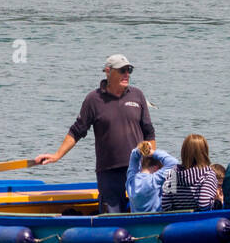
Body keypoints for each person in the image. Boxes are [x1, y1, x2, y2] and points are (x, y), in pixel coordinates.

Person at [34, 54, 155, 213]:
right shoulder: (93, 99)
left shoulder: (137, 95)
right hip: (108, 171)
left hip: (137, 168)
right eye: (122, 70)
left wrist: (151, 163)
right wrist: (57, 155)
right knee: (113, 215)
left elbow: (149, 132)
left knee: (143, 212)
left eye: (129, 70)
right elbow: (77, 130)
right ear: (108, 71)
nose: (127, 74)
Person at [160, 134, 220, 212]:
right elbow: (204, 203)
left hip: (177, 220)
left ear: (184, 152)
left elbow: (165, 204)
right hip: (201, 220)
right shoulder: (207, 174)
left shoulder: (172, 174)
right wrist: (217, 203)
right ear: (204, 152)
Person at [126, 141, 179, 213]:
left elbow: (133, 156)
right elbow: (174, 163)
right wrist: (153, 152)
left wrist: (141, 150)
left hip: (137, 221)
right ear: (156, 168)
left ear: (142, 165)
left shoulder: (131, 181)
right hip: (156, 220)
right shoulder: (155, 179)